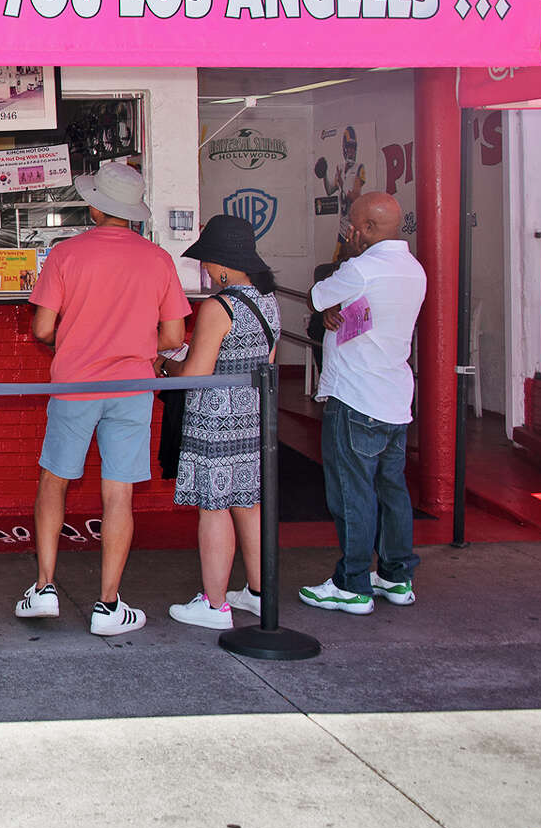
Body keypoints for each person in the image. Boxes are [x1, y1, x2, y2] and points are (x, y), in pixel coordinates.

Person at [20, 161, 188, 636]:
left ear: (96, 207)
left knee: (54, 481)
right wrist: (134, 346)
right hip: (132, 388)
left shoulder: (66, 254)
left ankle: (45, 587)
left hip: (74, 384)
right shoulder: (158, 259)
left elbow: (42, 327)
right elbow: (174, 333)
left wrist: (79, 339)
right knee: (119, 494)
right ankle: (108, 606)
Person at [299, 190, 426, 615]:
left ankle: (352, 583)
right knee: (392, 491)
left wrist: (348, 259)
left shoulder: (360, 267)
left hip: (355, 398)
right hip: (394, 396)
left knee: (351, 494)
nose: (348, 230)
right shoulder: (413, 269)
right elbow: (360, 311)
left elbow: (318, 295)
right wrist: (340, 309)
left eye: (352, 223)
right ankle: (396, 576)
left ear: (367, 230)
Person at [160, 215, 281, 631]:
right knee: (248, 504)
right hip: (253, 417)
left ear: (225, 265)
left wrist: (163, 368)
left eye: (208, 263)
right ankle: (259, 593)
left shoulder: (218, 306)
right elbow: (264, 363)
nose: (207, 272)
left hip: (214, 420)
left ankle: (214, 606)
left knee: (213, 508)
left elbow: (196, 373)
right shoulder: (268, 302)